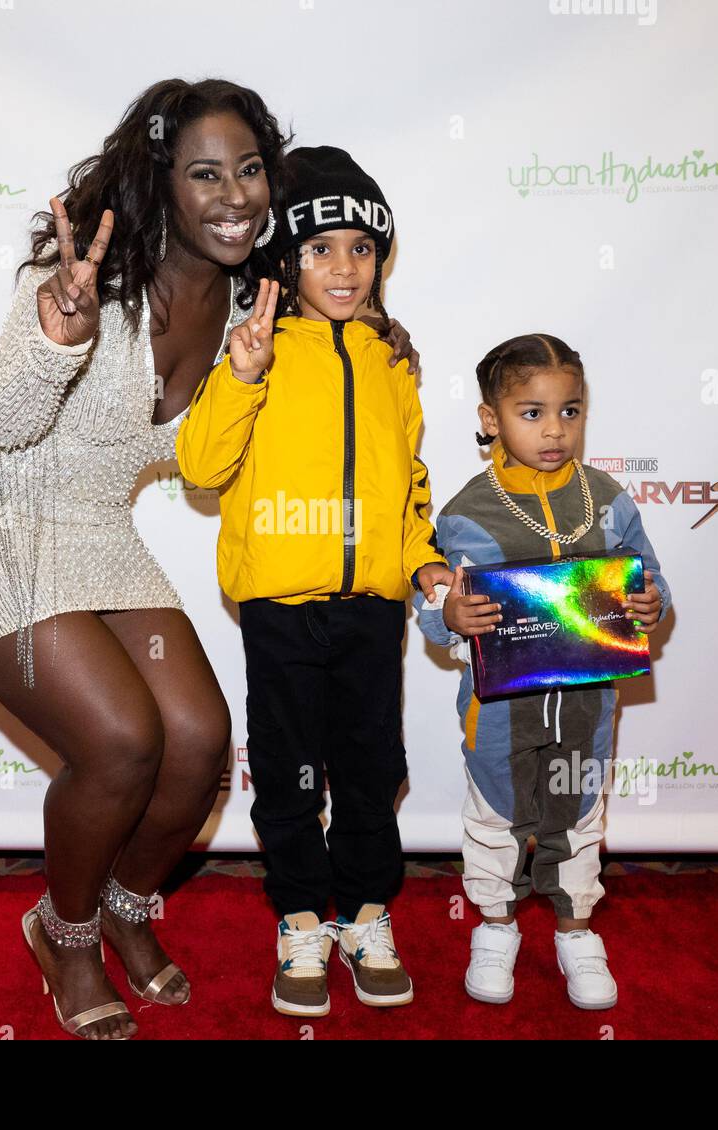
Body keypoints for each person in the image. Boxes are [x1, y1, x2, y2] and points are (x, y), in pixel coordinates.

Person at [0, 82, 422, 1040]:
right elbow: (11, 425)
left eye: (251, 170)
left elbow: (255, 415)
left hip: (96, 525)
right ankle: (64, 931)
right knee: (123, 741)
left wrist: (377, 329)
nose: (234, 195)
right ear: (162, 181)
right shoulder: (88, 271)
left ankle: (129, 906)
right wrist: (59, 335)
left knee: (197, 745)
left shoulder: (250, 299)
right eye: (205, 174)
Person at [177, 146, 453, 1018]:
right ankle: (300, 918)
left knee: (373, 771)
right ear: (285, 261)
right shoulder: (255, 350)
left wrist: (422, 560)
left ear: (381, 260)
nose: (344, 267)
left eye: (362, 249)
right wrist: (243, 374)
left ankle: (367, 914)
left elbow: (407, 482)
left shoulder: (391, 362)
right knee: (292, 773)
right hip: (281, 611)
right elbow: (200, 464)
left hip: (374, 611)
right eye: (321, 249)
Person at [412, 333, 671, 1010]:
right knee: (495, 815)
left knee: (579, 812)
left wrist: (649, 601)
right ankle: (495, 925)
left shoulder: (609, 499)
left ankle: (576, 928)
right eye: (532, 412)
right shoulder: (468, 511)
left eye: (570, 411)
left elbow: (650, 582)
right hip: (497, 710)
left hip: (587, 707)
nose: (554, 430)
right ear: (490, 419)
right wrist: (451, 620)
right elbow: (435, 601)